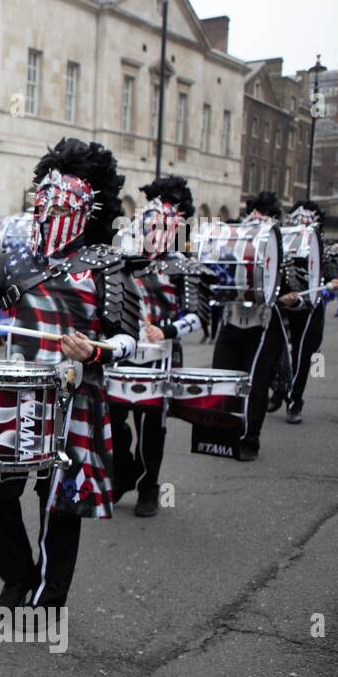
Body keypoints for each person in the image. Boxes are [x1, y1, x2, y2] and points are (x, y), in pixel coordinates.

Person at [0, 138, 138, 610]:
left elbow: (127, 339)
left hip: (74, 395)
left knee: (60, 500)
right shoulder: (18, 257)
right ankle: (18, 577)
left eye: (59, 203)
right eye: (43, 202)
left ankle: (50, 595)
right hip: (18, 393)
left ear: (85, 206)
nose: (47, 212)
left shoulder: (106, 265)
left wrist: (94, 350)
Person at [109, 175, 208, 517]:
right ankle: (123, 473)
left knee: (152, 428)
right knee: (112, 420)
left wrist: (167, 330)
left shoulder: (184, 266)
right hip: (123, 354)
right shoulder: (122, 261)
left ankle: (149, 488)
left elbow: (199, 316)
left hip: (161, 356)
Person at [208, 192, 292, 461]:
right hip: (232, 319)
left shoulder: (281, 247)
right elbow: (215, 275)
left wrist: (288, 296)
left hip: (263, 323)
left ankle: (250, 438)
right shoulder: (231, 243)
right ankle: (226, 431)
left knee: (255, 384)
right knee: (223, 378)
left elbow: (295, 288)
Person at [267, 202, 338, 425]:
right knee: (277, 352)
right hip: (285, 306)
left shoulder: (325, 249)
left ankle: (294, 400)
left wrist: (335, 280)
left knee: (302, 354)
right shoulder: (281, 247)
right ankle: (279, 391)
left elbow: (332, 272)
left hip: (310, 308)